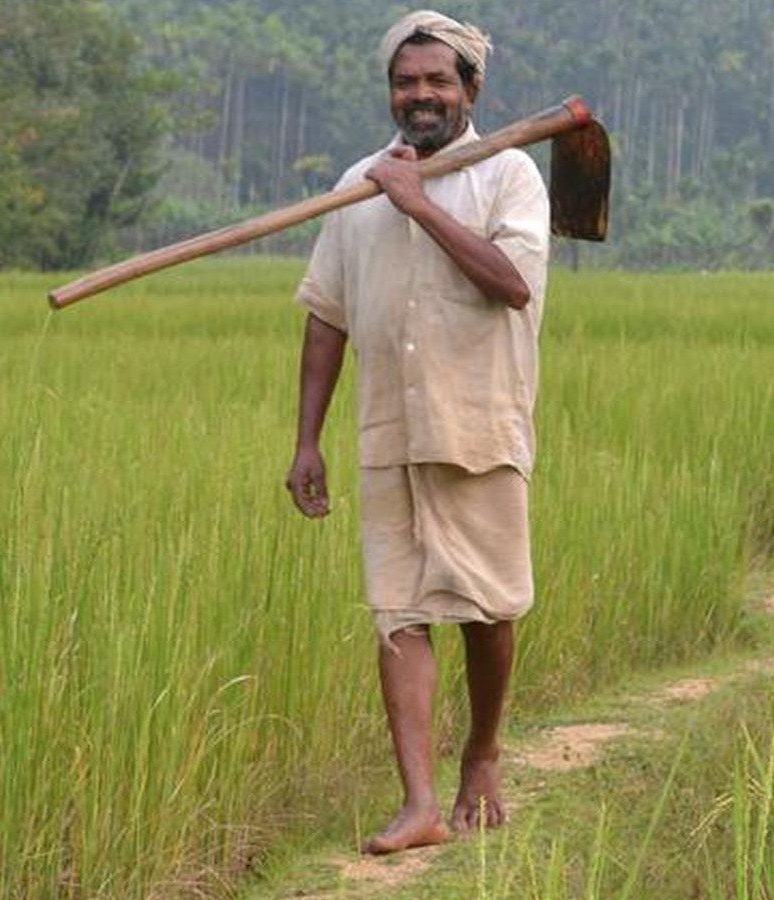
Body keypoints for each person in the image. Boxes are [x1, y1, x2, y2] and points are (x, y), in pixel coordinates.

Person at [285, 9, 549, 856]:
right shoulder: (358, 183)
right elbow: (326, 315)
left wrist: (417, 202)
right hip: (386, 431)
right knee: (396, 614)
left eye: (439, 81)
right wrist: (306, 439)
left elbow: (509, 284)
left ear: (471, 89)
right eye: (408, 82)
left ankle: (481, 754)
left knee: (488, 606)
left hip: (476, 423)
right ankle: (418, 803)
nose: (422, 95)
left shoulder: (508, 176)